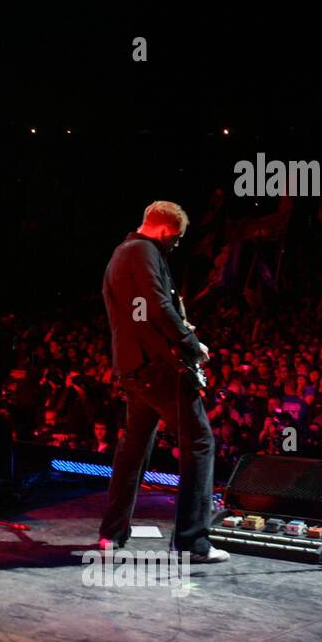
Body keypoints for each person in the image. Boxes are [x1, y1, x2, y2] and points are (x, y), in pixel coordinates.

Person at [98, 200, 227, 562]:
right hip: (157, 368)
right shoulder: (143, 252)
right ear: (166, 231)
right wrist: (190, 343)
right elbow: (156, 305)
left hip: (135, 367)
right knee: (200, 442)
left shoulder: (123, 252)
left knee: (134, 447)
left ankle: (112, 532)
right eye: (177, 239)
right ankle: (192, 541)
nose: (176, 245)